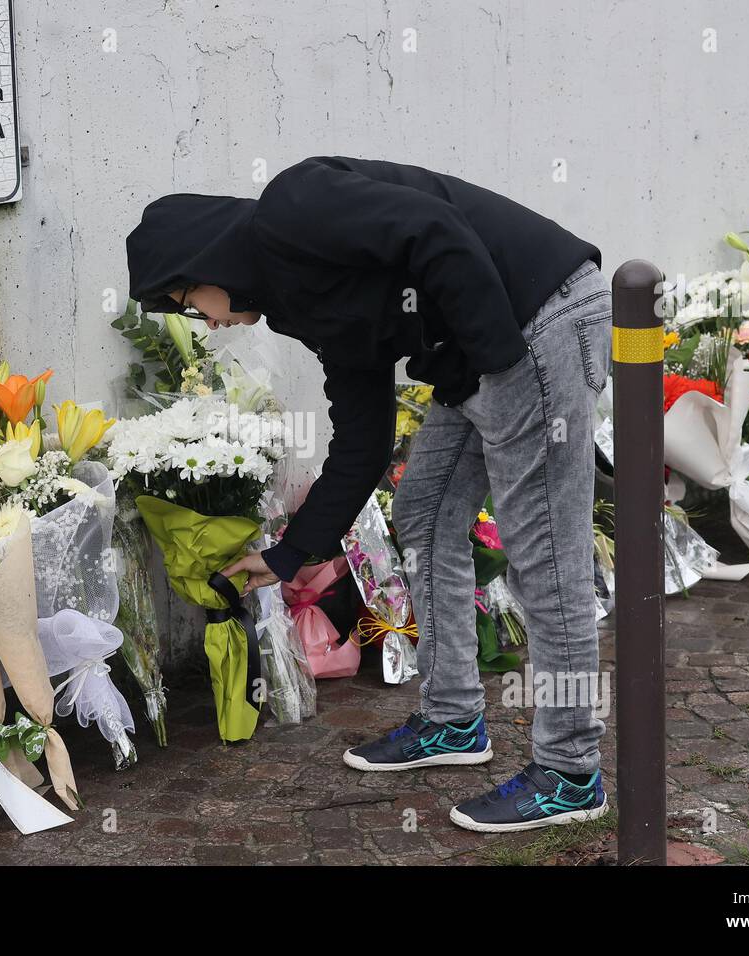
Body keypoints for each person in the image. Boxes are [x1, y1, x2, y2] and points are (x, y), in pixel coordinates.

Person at [126, 156, 610, 833]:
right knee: (426, 509)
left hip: (539, 315)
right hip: (492, 345)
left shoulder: (297, 205)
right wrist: (291, 554)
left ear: (204, 263)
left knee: (545, 550)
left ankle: (570, 772)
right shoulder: (298, 303)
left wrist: (500, 365)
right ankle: (453, 720)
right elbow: (362, 439)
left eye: (186, 304)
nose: (202, 323)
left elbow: (433, 229)